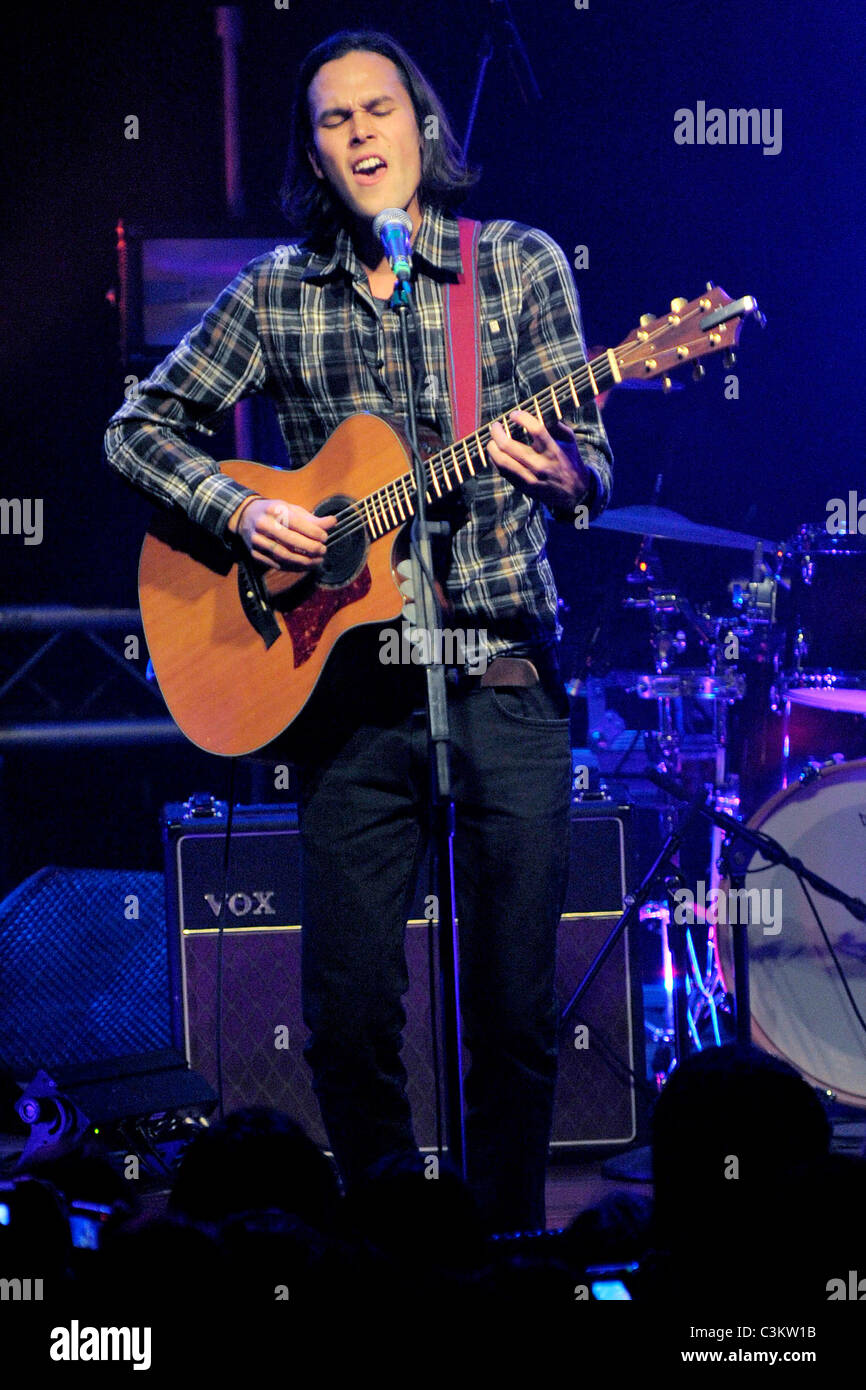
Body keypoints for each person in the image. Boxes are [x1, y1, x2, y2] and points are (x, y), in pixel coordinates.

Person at [105, 28, 613, 1233]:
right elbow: (136, 424)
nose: (361, 135)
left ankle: (501, 1244)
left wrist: (561, 475)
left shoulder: (518, 265)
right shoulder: (278, 289)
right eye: (334, 122)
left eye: (379, 110)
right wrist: (240, 505)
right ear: (315, 153)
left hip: (496, 675)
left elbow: (592, 466)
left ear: (422, 127)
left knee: (510, 1010)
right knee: (342, 1010)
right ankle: (393, 1244)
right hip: (344, 695)